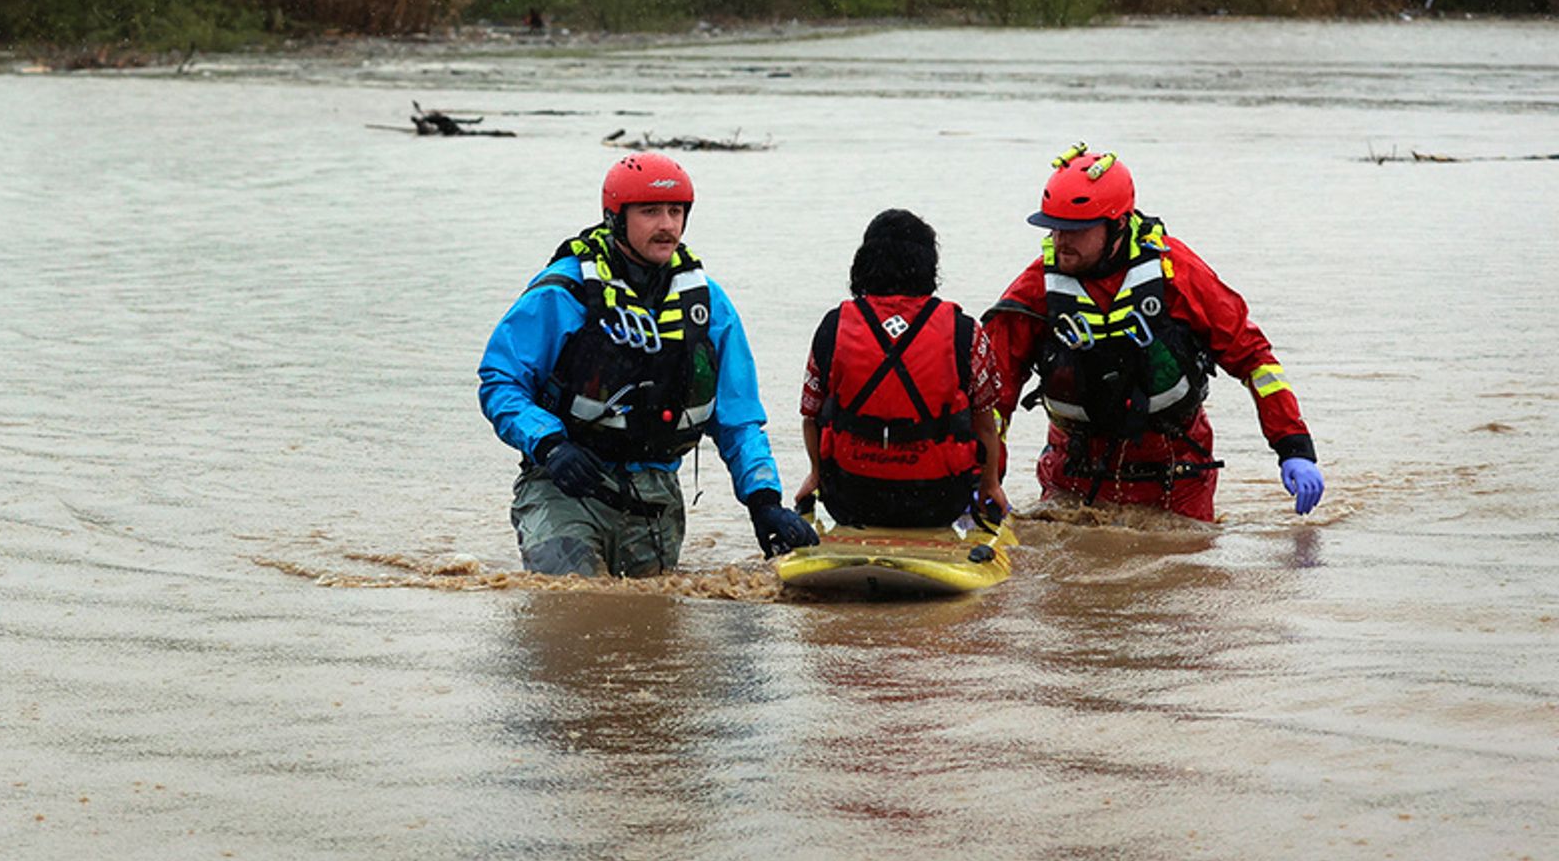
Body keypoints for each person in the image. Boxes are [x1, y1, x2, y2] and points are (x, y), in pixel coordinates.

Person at [479, 153, 817, 576]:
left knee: (648, 627)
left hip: (655, 498)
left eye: (676, 212)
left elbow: (738, 419)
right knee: (572, 605)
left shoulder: (708, 305)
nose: (667, 225)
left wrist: (763, 502)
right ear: (615, 218)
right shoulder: (563, 292)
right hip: (565, 485)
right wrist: (550, 445)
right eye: (651, 212)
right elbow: (500, 382)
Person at [982, 143, 1326, 521]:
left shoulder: (1177, 275)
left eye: (1077, 230)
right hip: (1073, 476)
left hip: (1176, 477)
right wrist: (982, 482)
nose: (1061, 240)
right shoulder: (1034, 291)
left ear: (1116, 224)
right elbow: (992, 399)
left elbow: (1254, 360)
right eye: (1056, 228)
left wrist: (1294, 448)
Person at [792, 209, 1008, 529]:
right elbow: (986, 425)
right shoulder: (965, 331)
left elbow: (810, 416)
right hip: (939, 502)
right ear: (928, 264)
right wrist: (991, 486)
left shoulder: (833, 326)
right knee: (979, 411)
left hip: (851, 499)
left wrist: (815, 475)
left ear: (864, 261)